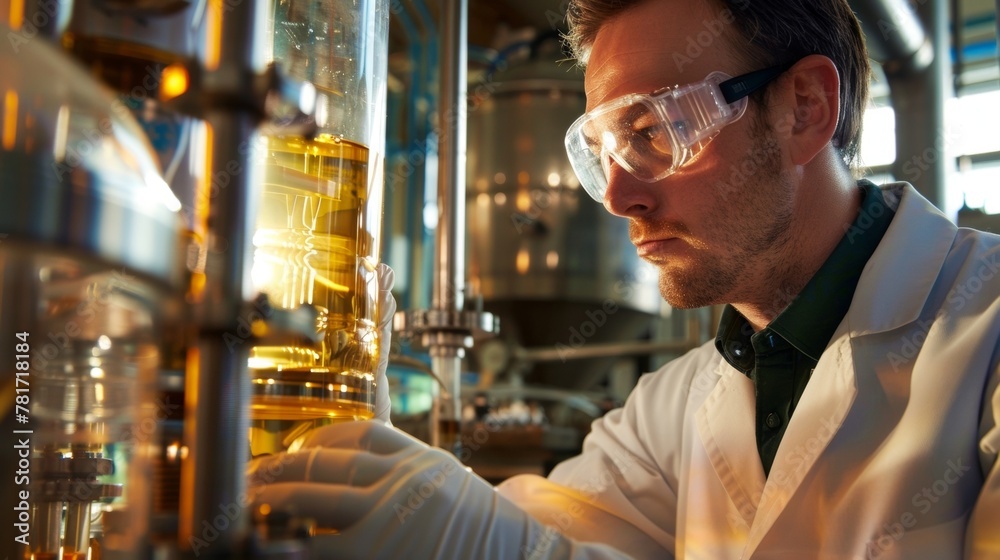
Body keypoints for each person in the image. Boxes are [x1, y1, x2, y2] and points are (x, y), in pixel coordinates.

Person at [246, 0, 1000, 557]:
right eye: (602, 149)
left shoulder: (985, 327)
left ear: (804, 107)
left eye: (655, 133)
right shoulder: (668, 411)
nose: (619, 196)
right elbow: (545, 535)